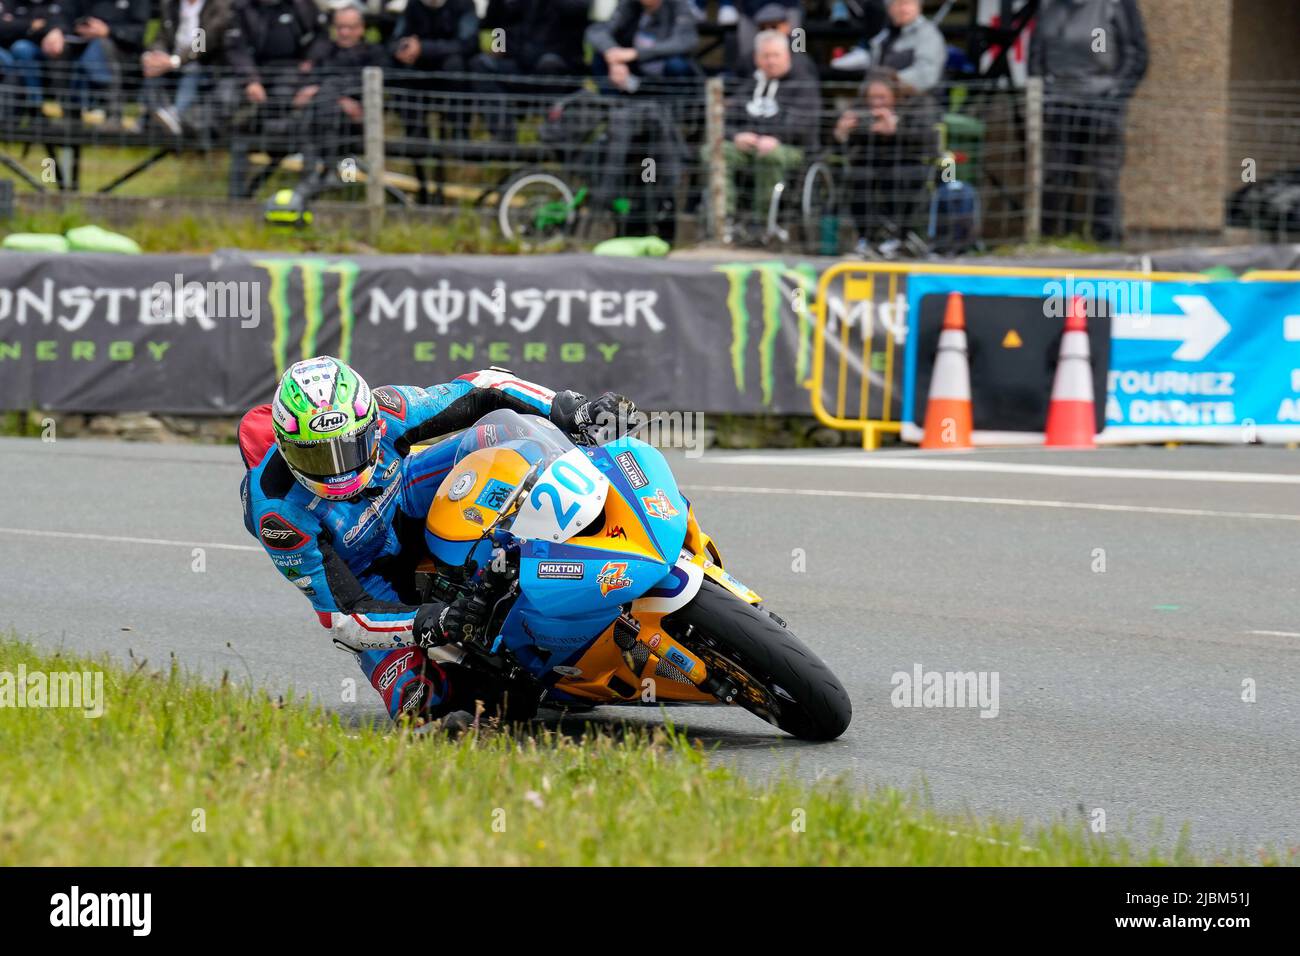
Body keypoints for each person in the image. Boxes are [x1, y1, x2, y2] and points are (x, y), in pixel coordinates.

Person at [238, 358, 633, 728]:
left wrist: (568, 410)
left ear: (372, 425)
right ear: (286, 449)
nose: (339, 470)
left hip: (404, 494)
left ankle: (593, 526)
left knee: (501, 436)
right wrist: (435, 621)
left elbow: (484, 386)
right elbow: (345, 618)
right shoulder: (276, 511)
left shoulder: (389, 409)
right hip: (367, 575)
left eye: (349, 447)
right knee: (425, 705)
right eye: (321, 458)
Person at [1029, 0, 1148, 242]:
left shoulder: (1116, 5)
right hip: (1059, 102)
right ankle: (1051, 238)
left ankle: (1104, 240)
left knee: (1104, 175)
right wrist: (1043, 94)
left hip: (1103, 102)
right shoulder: (1048, 6)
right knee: (1056, 172)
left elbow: (1137, 54)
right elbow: (1036, 57)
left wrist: (1115, 94)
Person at [721, 29, 820, 233]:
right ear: (757, 59)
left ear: (787, 55)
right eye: (766, 56)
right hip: (749, 146)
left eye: (776, 55)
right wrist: (736, 136)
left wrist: (777, 138)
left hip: (791, 149)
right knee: (718, 151)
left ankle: (763, 221)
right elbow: (726, 120)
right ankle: (724, 218)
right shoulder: (751, 85)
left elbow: (805, 125)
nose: (771, 61)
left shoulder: (803, 84)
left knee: (770, 155)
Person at [833, 68, 940, 251]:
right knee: (858, 177)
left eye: (882, 98)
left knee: (898, 177)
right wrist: (841, 133)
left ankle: (898, 235)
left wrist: (897, 130)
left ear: (895, 95)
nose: (876, 103)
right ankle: (866, 236)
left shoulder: (920, 105)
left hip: (909, 162)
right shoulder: (860, 109)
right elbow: (843, 147)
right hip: (870, 163)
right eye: (872, 98)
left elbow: (929, 141)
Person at [469, 0, 589, 140]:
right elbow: (496, 25)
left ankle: (552, 136)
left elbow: (579, 11)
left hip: (556, 69)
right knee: (481, 64)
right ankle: (503, 136)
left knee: (549, 63)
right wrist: (499, 48)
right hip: (518, 65)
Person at [223, 0, 330, 147]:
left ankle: (285, 148)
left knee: (284, 99)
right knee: (226, 99)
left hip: (293, 69)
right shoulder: (241, 7)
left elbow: (321, 36)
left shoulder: (301, 5)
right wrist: (251, 80)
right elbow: (235, 47)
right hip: (252, 69)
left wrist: (311, 59)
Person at [387, 0, 478, 139]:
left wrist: (423, 48)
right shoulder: (413, 5)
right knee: (396, 66)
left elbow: (467, 44)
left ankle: (459, 133)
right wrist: (403, 48)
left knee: (455, 64)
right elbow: (395, 39)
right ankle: (416, 135)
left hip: (454, 80)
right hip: (420, 75)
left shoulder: (464, 4)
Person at [141, 0, 234, 136]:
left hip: (203, 63)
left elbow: (203, 44)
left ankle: (176, 115)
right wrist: (156, 55)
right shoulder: (170, 4)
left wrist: (175, 61)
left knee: (192, 68)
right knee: (151, 68)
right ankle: (150, 116)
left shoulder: (217, 5)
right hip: (170, 60)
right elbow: (161, 36)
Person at [832, 0, 944, 96]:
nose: (903, 9)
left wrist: (890, 83)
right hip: (881, 104)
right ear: (889, 8)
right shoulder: (883, 37)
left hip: (915, 108)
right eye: (898, 4)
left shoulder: (928, 34)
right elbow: (871, 76)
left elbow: (927, 76)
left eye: (908, 3)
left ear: (919, 7)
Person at [586, 0, 699, 94]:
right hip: (634, 73)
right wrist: (614, 56)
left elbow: (686, 41)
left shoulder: (678, 5)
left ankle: (679, 115)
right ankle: (613, 109)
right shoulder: (629, 5)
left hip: (663, 72)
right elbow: (597, 31)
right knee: (601, 57)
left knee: (677, 65)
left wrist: (636, 54)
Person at [0, 0, 68, 116]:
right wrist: (30, 25)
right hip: (10, 58)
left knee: (21, 49)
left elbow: (60, 24)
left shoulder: (56, 4)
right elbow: (2, 27)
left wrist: (16, 25)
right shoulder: (11, 3)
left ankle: (35, 104)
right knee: (12, 61)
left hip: (42, 58)